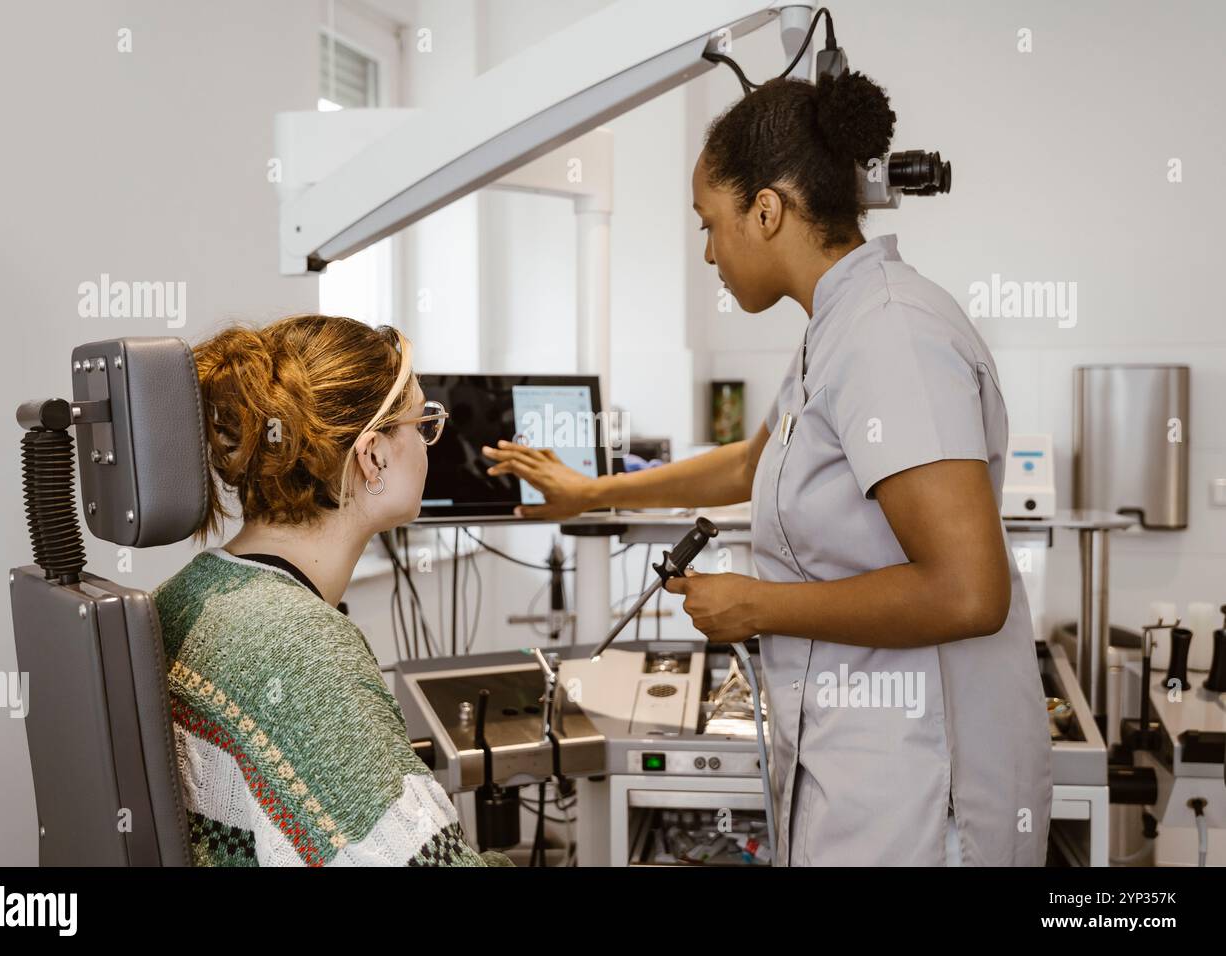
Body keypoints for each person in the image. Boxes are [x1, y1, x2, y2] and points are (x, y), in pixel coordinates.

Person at [483, 71, 1051, 866]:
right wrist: (592, 492)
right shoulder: (839, 326)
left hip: (924, 794)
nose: (710, 251)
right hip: (866, 774)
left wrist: (759, 605)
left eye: (710, 225)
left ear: (767, 209)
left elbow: (968, 591)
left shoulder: (890, 334)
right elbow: (754, 463)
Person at [154, 314, 510, 866]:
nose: (428, 444)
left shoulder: (189, 591)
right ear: (372, 457)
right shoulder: (303, 652)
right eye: (422, 423)